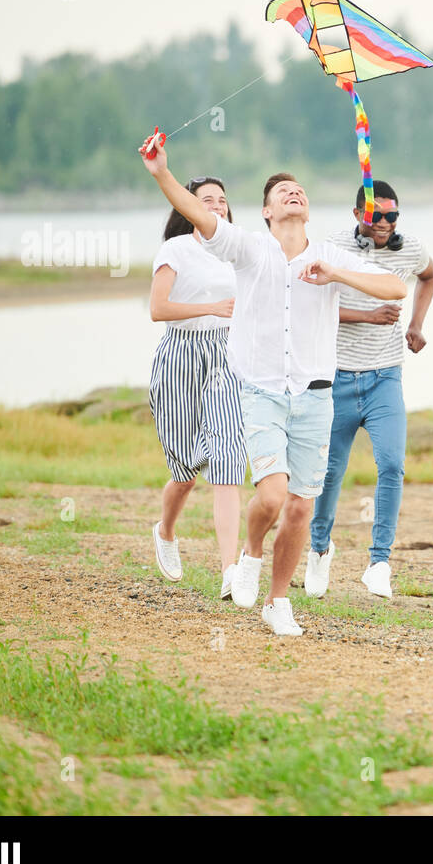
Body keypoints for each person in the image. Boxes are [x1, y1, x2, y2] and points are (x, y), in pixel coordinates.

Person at [140, 136, 407, 636]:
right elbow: (200, 217)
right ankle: (250, 553)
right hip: (260, 392)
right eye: (283, 190)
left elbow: (396, 288)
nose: (294, 193)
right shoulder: (248, 248)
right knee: (271, 498)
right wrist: (161, 174)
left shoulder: (328, 254)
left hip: (316, 394)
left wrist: (334, 272)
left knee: (301, 506)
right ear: (265, 211)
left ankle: (278, 600)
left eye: (300, 190)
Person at [306, 181, 433, 600]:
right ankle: (319, 549)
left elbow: (429, 276)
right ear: (357, 213)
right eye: (375, 215)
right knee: (329, 473)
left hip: (385, 377)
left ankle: (379, 563)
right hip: (337, 377)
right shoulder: (333, 246)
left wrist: (416, 324)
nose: (383, 223)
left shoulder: (409, 248)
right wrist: (367, 315)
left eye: (391, 215)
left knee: (392, 465)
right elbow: (315, 303)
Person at [147, 176, 245, 601]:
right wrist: (210, 307)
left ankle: (230, 571)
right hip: (180, 356)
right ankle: (165, 530)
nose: (217, 206)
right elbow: (157, 309)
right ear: (187, 207)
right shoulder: (175, 249)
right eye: (207, 200)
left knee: (227, 458)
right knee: (185, 470)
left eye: (222, 201)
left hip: (227, 356)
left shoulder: (236, 251)